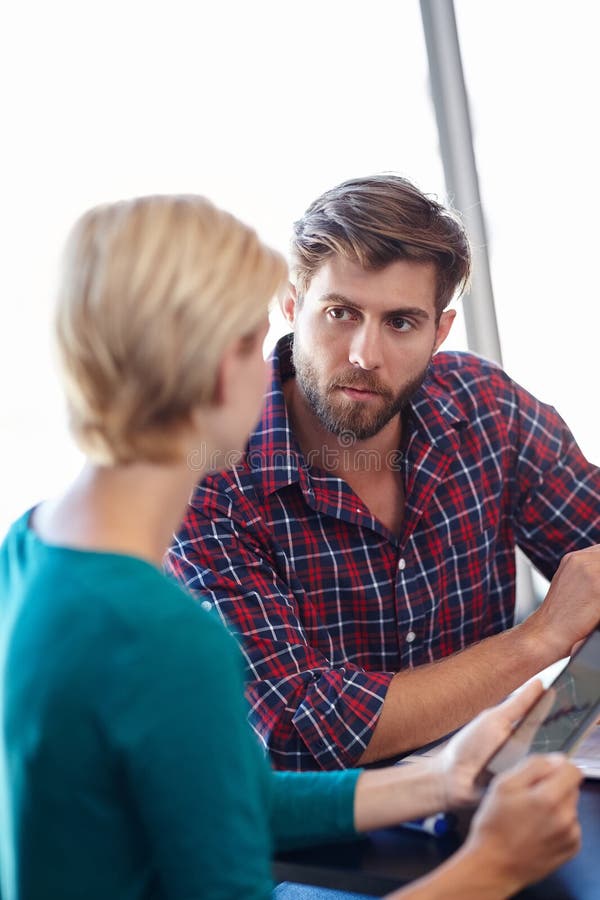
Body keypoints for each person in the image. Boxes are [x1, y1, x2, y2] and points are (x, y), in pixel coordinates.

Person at [0, 195, 583, 900]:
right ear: (220, 368)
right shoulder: (164, 639)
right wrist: (493, 865)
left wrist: (437, 777)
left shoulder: (33, 545)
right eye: (255, 338)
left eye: (399, 321)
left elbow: (223, 796)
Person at [167, 174, 600, 771]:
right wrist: (539, 639)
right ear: (293, 307)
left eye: (400, 323)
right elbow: (297, 729)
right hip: (315, 842)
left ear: (438, 332)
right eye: (341, 313)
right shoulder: (208, 481)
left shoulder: (486, 409)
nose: (364, 355)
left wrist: (555, 735)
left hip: (493, 791)